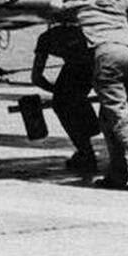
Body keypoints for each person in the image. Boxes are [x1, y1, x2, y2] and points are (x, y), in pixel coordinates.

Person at [50, 0, 128, 190]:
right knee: (109, 117)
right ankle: (117, 175)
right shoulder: (117, 4)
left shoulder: (79, 6)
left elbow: (54, 5)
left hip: (107, 55)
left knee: (118, 116)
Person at [32, 21, 99, 173]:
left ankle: (87, 153)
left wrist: (60, 93)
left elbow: (36, 77)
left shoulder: (47, 37)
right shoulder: (89, 30)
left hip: (91, 65)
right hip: (111, 60)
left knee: (63, 103)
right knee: (120, 117)